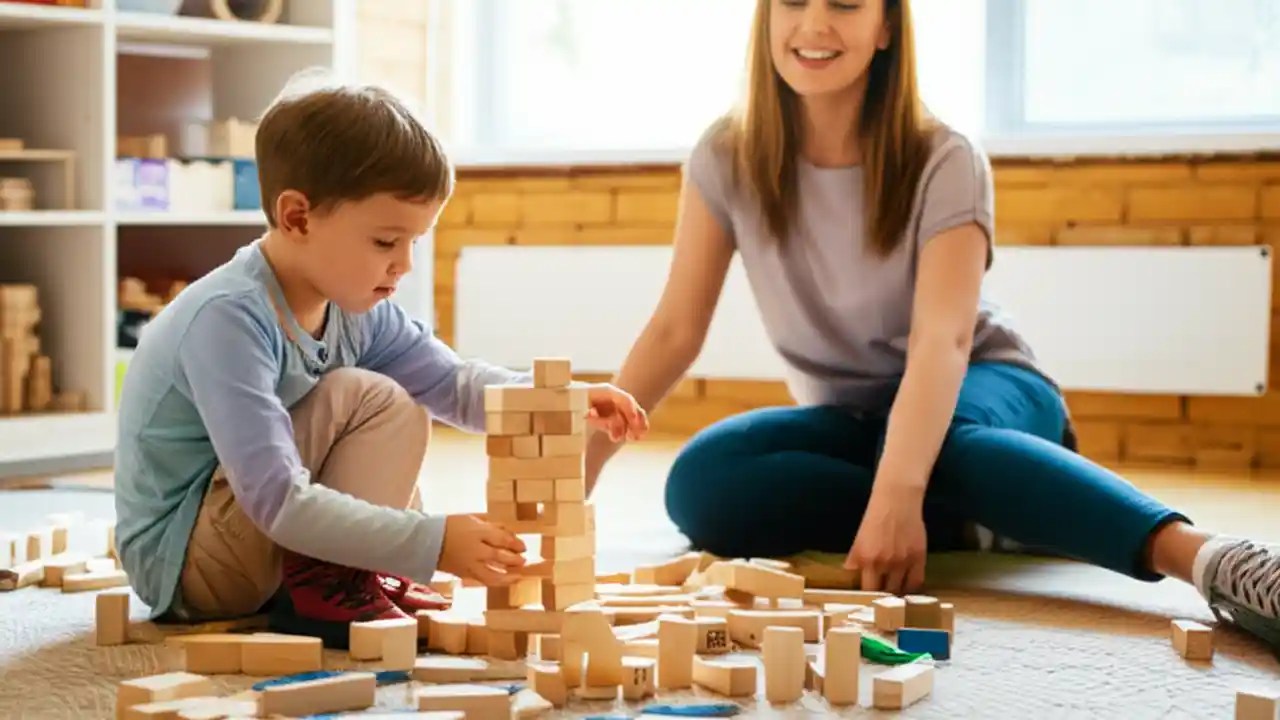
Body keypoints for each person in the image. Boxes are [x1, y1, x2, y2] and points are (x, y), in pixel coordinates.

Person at [584, 0, 1278, 654]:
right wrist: (575, 466)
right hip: (859, 417)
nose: (813, 24)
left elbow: (942, 342)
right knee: (703, 481)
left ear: (886, 26)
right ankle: (1000, 514)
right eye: (792, 2)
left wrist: (898, 490)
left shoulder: (945, 157)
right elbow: (676, 329)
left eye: (846, 5)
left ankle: (1209, 557)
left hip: (985, 385)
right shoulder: (725, 156)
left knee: (945, 448)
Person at [113, 73, 649, 647]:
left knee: (398, 404)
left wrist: (556, 402)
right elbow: (275, 498)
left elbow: (454, 384)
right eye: (385, 243)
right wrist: (432, 542)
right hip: (189, 569)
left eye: (413, 243)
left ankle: (333, 578)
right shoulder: (228, 318)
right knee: (369, 397)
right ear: (297, 218)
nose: (405, 266)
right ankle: (330, 585)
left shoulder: (353, 305)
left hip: (249, 542)